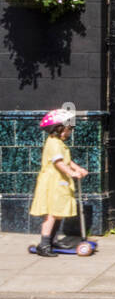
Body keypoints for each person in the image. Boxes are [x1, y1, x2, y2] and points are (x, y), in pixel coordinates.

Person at [29, 108, 87, 257]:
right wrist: (72, 173)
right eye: (69, 129)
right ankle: (44, 244)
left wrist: (77, 168)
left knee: (59, 212)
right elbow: (59, 163)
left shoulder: (59, 143)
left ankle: (52, 240)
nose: (70, 132)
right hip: (52, 182)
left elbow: (66, 160)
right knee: (51, 214)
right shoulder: (53, 143)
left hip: (60, 182)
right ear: (59, 128)